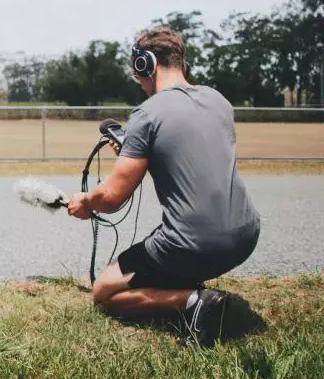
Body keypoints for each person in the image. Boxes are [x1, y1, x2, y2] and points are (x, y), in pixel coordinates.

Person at [66, 26, 261, 347]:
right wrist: (139, 149)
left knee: (104, 292)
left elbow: (112, 198)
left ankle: (194, 302)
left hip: (193, 243)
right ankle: (191, 288)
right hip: (245, 236)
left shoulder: (147, 114)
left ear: (145, 64)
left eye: (137, 73)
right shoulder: (219, 102)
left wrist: (86, 202)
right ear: (183, 64)